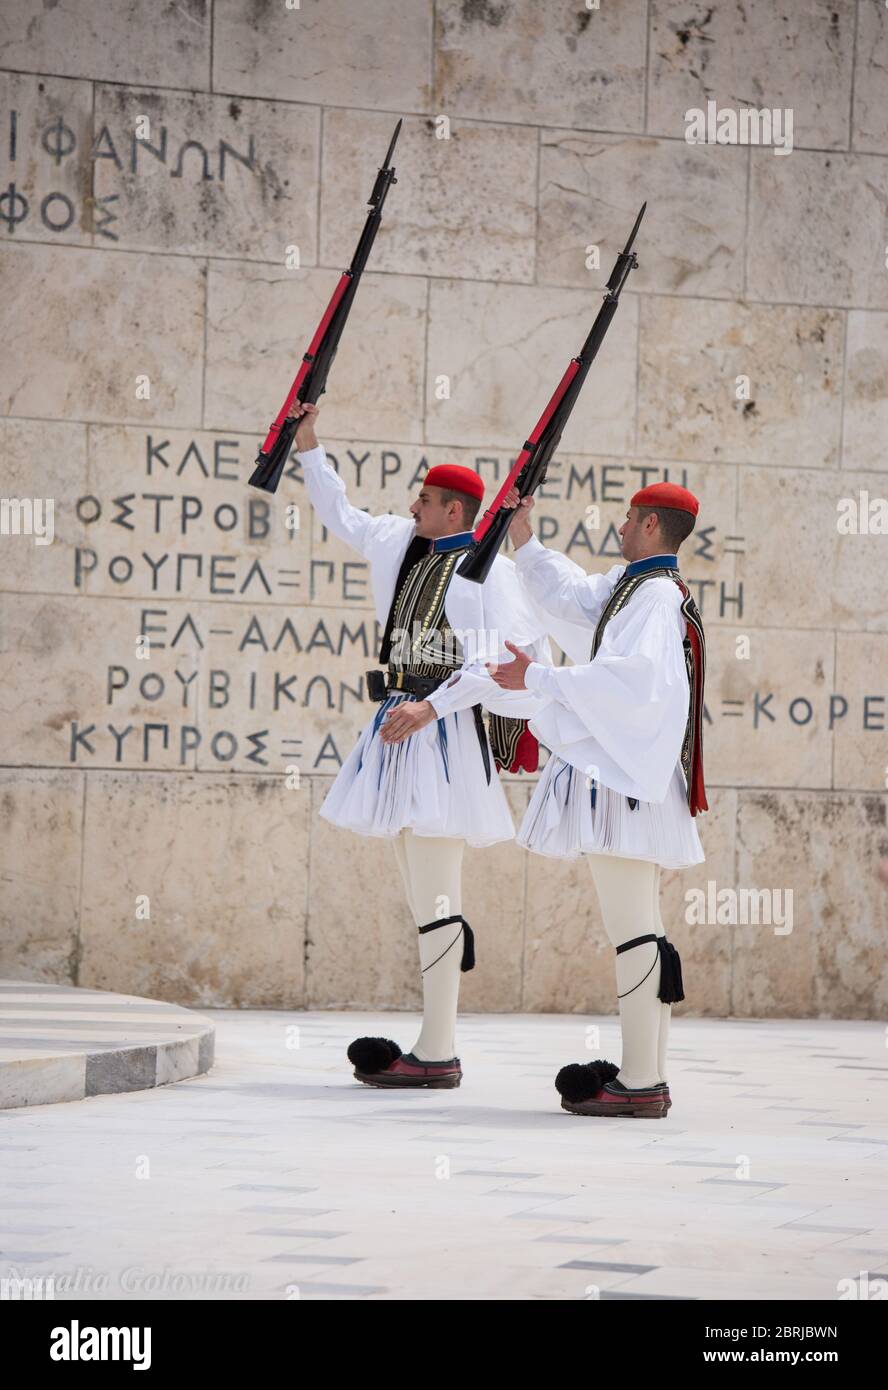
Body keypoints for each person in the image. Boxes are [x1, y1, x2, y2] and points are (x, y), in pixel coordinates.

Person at [291, 401, 550, 1090]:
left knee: (437, 890)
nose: (413, 505)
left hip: (442, 735)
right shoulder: (400, 544)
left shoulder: (485, 573)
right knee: (418, 887)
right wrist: (309, 444)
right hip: (401, 724)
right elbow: (341, 514)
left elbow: (495, 660)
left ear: (458, 513)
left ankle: (438, 1051)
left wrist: (433, 708)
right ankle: (432, 1044)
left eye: (427, 500)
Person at [491, 482, 709, 1119]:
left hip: (626, 790)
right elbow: (566, 593)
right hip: (631, 786)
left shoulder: (657, 598)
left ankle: (640, 1081)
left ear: (648, 526)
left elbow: (632, 685)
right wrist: (522, 534)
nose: (619, 525)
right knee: (645, 931)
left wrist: (537, 677)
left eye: (628, 518)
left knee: (633, 933)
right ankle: (649, 1073)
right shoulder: (636, 587)